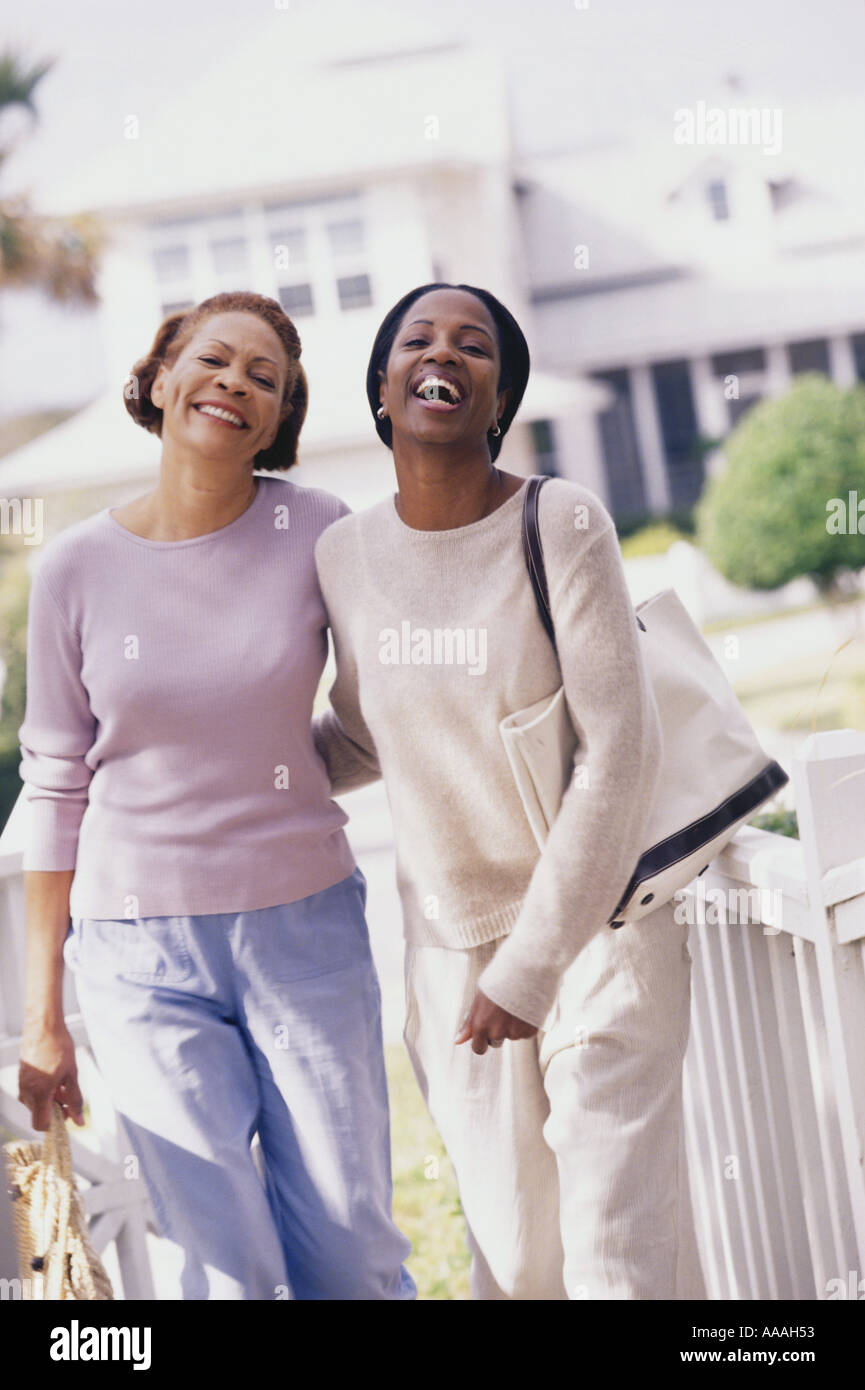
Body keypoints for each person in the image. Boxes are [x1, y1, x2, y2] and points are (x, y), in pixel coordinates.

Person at [16, 290, 415, 1302]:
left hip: (304, 933)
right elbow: (55, 787)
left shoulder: (320, 532)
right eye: (212, 359)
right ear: (159, 379)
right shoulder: (74, 567)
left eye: (265, 377)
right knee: (222, 1265)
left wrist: (273, 778)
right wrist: (43, 1017)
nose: (235, 381)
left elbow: (383, 709)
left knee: (348, 1248)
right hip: (135, 952)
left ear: (279, 420)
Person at [311, 282, 693, 1300]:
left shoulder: (559, 520)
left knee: (614, 1251)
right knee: (525, 1267)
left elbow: (622, 746)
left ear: (497, 400)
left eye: (474, 344)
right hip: (448, 957)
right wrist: (210, 769)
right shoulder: (343, 554)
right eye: (418, 339)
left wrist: (529, 968)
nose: (444, 351)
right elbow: (359, 732)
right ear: (385, 393)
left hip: (601, 927)